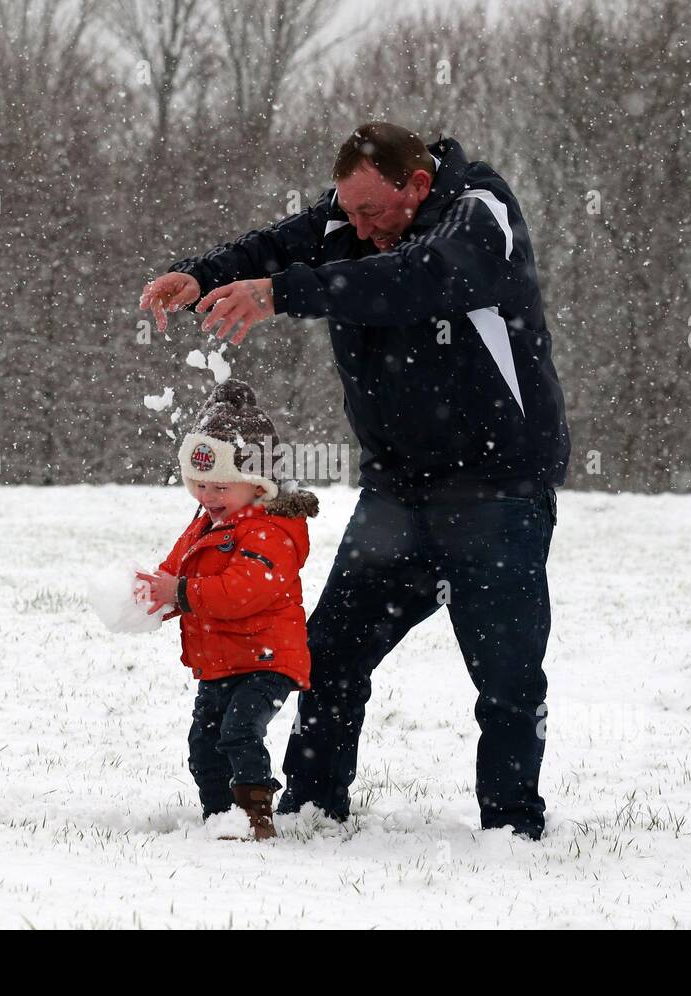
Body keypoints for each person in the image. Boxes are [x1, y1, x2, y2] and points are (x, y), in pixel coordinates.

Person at [139, 122, 569, 840]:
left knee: (507, 677)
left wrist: (284, 293)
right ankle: (314, 806)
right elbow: (277, 245)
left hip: (498, 490)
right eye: (351, 212)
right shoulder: (349, 217)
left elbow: (422, 279)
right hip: (398, 492)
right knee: (329, 655)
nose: (359, 228)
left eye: (374, 213)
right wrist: (203, 276)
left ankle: (512, 825)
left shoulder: (479, 213)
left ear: (419, 185)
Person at [138, 379, 320, 840]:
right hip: (219, 662)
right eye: (198, 484)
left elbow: (243, 592)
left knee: (239, 731)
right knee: (204, 745)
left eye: (221, 485)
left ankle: (255, 815)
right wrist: (154, 598)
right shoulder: (207, 522)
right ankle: (219, 817)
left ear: (258, 484)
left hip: (266, 660)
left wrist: (180, 593)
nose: (208, 495)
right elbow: (177, 567)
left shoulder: (270, 531)